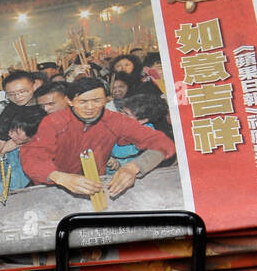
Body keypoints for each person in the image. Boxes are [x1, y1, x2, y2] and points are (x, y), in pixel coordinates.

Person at [17, 76, 175, 199]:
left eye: (97, 100)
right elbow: (32, 156)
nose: (90, 107)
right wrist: (59, 177)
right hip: (54, 186)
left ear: (106, 100)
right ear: (70, 101)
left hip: (96, 186)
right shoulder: (54, 122)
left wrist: (133, 167)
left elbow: (163, 143)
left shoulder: (115, 120)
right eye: (83, 102)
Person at [0, 70, 45, 184]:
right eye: (11, 94)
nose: (18, 97)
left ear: (35, 85)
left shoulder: (45, 104)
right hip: (15, 158)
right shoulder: (11, 109)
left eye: (23, 91)